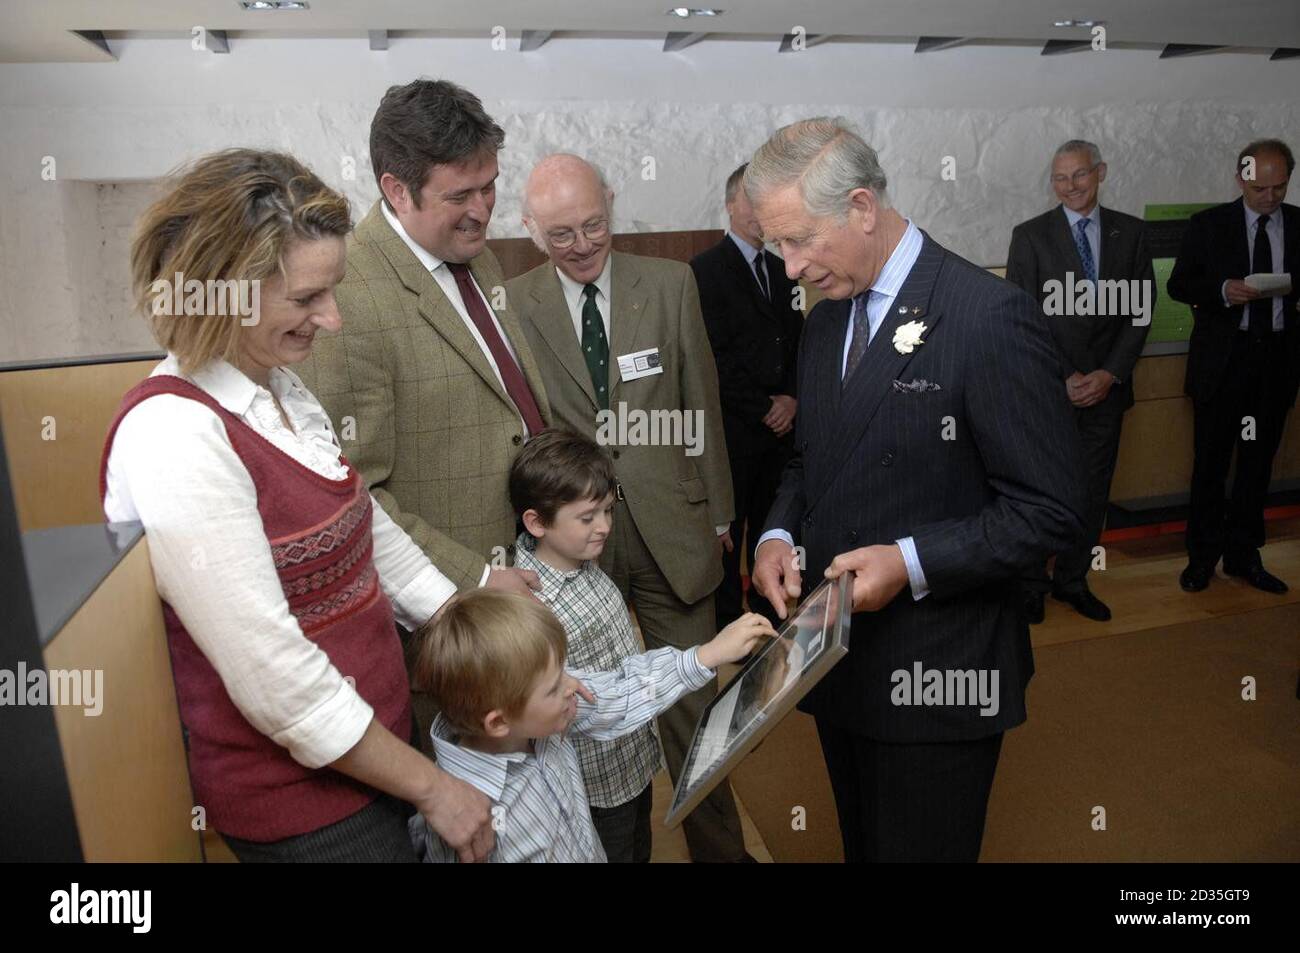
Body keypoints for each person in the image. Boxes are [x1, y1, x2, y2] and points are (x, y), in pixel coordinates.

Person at [101, 148, 495, 862]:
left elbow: (370, 531)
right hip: (307, 808)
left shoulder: (278, 385)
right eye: (307, 298)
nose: (332, 318)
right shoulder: (174, 434)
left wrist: (481, 632)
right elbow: (275, 677)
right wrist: (435, 789)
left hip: (378, 755)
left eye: (331, 290)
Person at [747, 118, 1085, 863]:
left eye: (800, 240)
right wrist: (776, 533)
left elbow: (1052, 511)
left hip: (940, 672)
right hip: (837, 662)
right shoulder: (825, 322)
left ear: (862, 207)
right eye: (777, 246)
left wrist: (908, 561)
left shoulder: (987, 316)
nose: (791, 267)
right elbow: (810, 460)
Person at [505, 154, 751, 862]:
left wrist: (720, 512)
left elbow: (700, 399)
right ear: (529, 229)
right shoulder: (512, 302)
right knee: (589, 709)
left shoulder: (671, 283)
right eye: (561, 234)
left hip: (675, 524)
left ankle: (721, 853)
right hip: (574, 542)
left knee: (695, 708)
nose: (581, 244)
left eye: (594, 225)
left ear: (612, 204)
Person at [297, 78, 549, 598]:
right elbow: (354, 492)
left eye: (489, 186)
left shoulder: (477, 254)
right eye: (459, 196)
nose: (483, 210)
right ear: (397, 191)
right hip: (459, 599)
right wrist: (478, 577)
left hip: (532, 560)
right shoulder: (346, 296)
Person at [407, 588, 775, 862]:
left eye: (563, 671)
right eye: (554, 686)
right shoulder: (464, 820)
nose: (572, 686)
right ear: (499, 721)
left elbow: (620, 693)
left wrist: (708, 654)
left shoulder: (537, 709)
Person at [1006, 139, 1155, 623]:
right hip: (1049, 393)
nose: (1070, 186)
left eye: (1080, 174)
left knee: (1092, 492)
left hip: (1107, 393)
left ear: (1101, 172)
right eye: (1060, 178)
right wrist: (1064, 375)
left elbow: (1140, 311)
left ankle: (1073, 580)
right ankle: (1031, 584)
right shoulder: (1030, 236)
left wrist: (1110, 374)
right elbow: (1021, 317)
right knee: (1039, 490)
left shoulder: (1132, 233)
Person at [507, 428, 660, 862]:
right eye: (588, 517)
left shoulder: (584, 564)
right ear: (537, 522)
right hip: (594, 787)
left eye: (608, 510)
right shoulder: (533, 605)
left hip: (633, 760)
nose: (605, 526)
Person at [1170, 138, 1299, 595]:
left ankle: (1244, 556)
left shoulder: (1299, 224)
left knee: (1257, 465)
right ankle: (1201, 559)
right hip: (1223, 365)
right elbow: (1179, 284)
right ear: (1241, 178)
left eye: (1279, 187)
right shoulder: (1208, 225)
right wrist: (1224, 290)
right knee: (1210, 464)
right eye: (1260, 188)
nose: (1270, 197)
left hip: (1275, 363)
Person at [691, 162, 804, 629]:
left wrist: (792, 398)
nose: (761, 213)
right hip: (733, 431)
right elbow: (711, 356)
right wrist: (763, 408)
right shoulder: (703, 271)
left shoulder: (785, 268)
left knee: (770, 527)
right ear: (730, 205)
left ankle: (766, 618)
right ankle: (726, 625)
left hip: (781, 434)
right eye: (751, 202)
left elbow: (799, 342)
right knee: (728, 533)